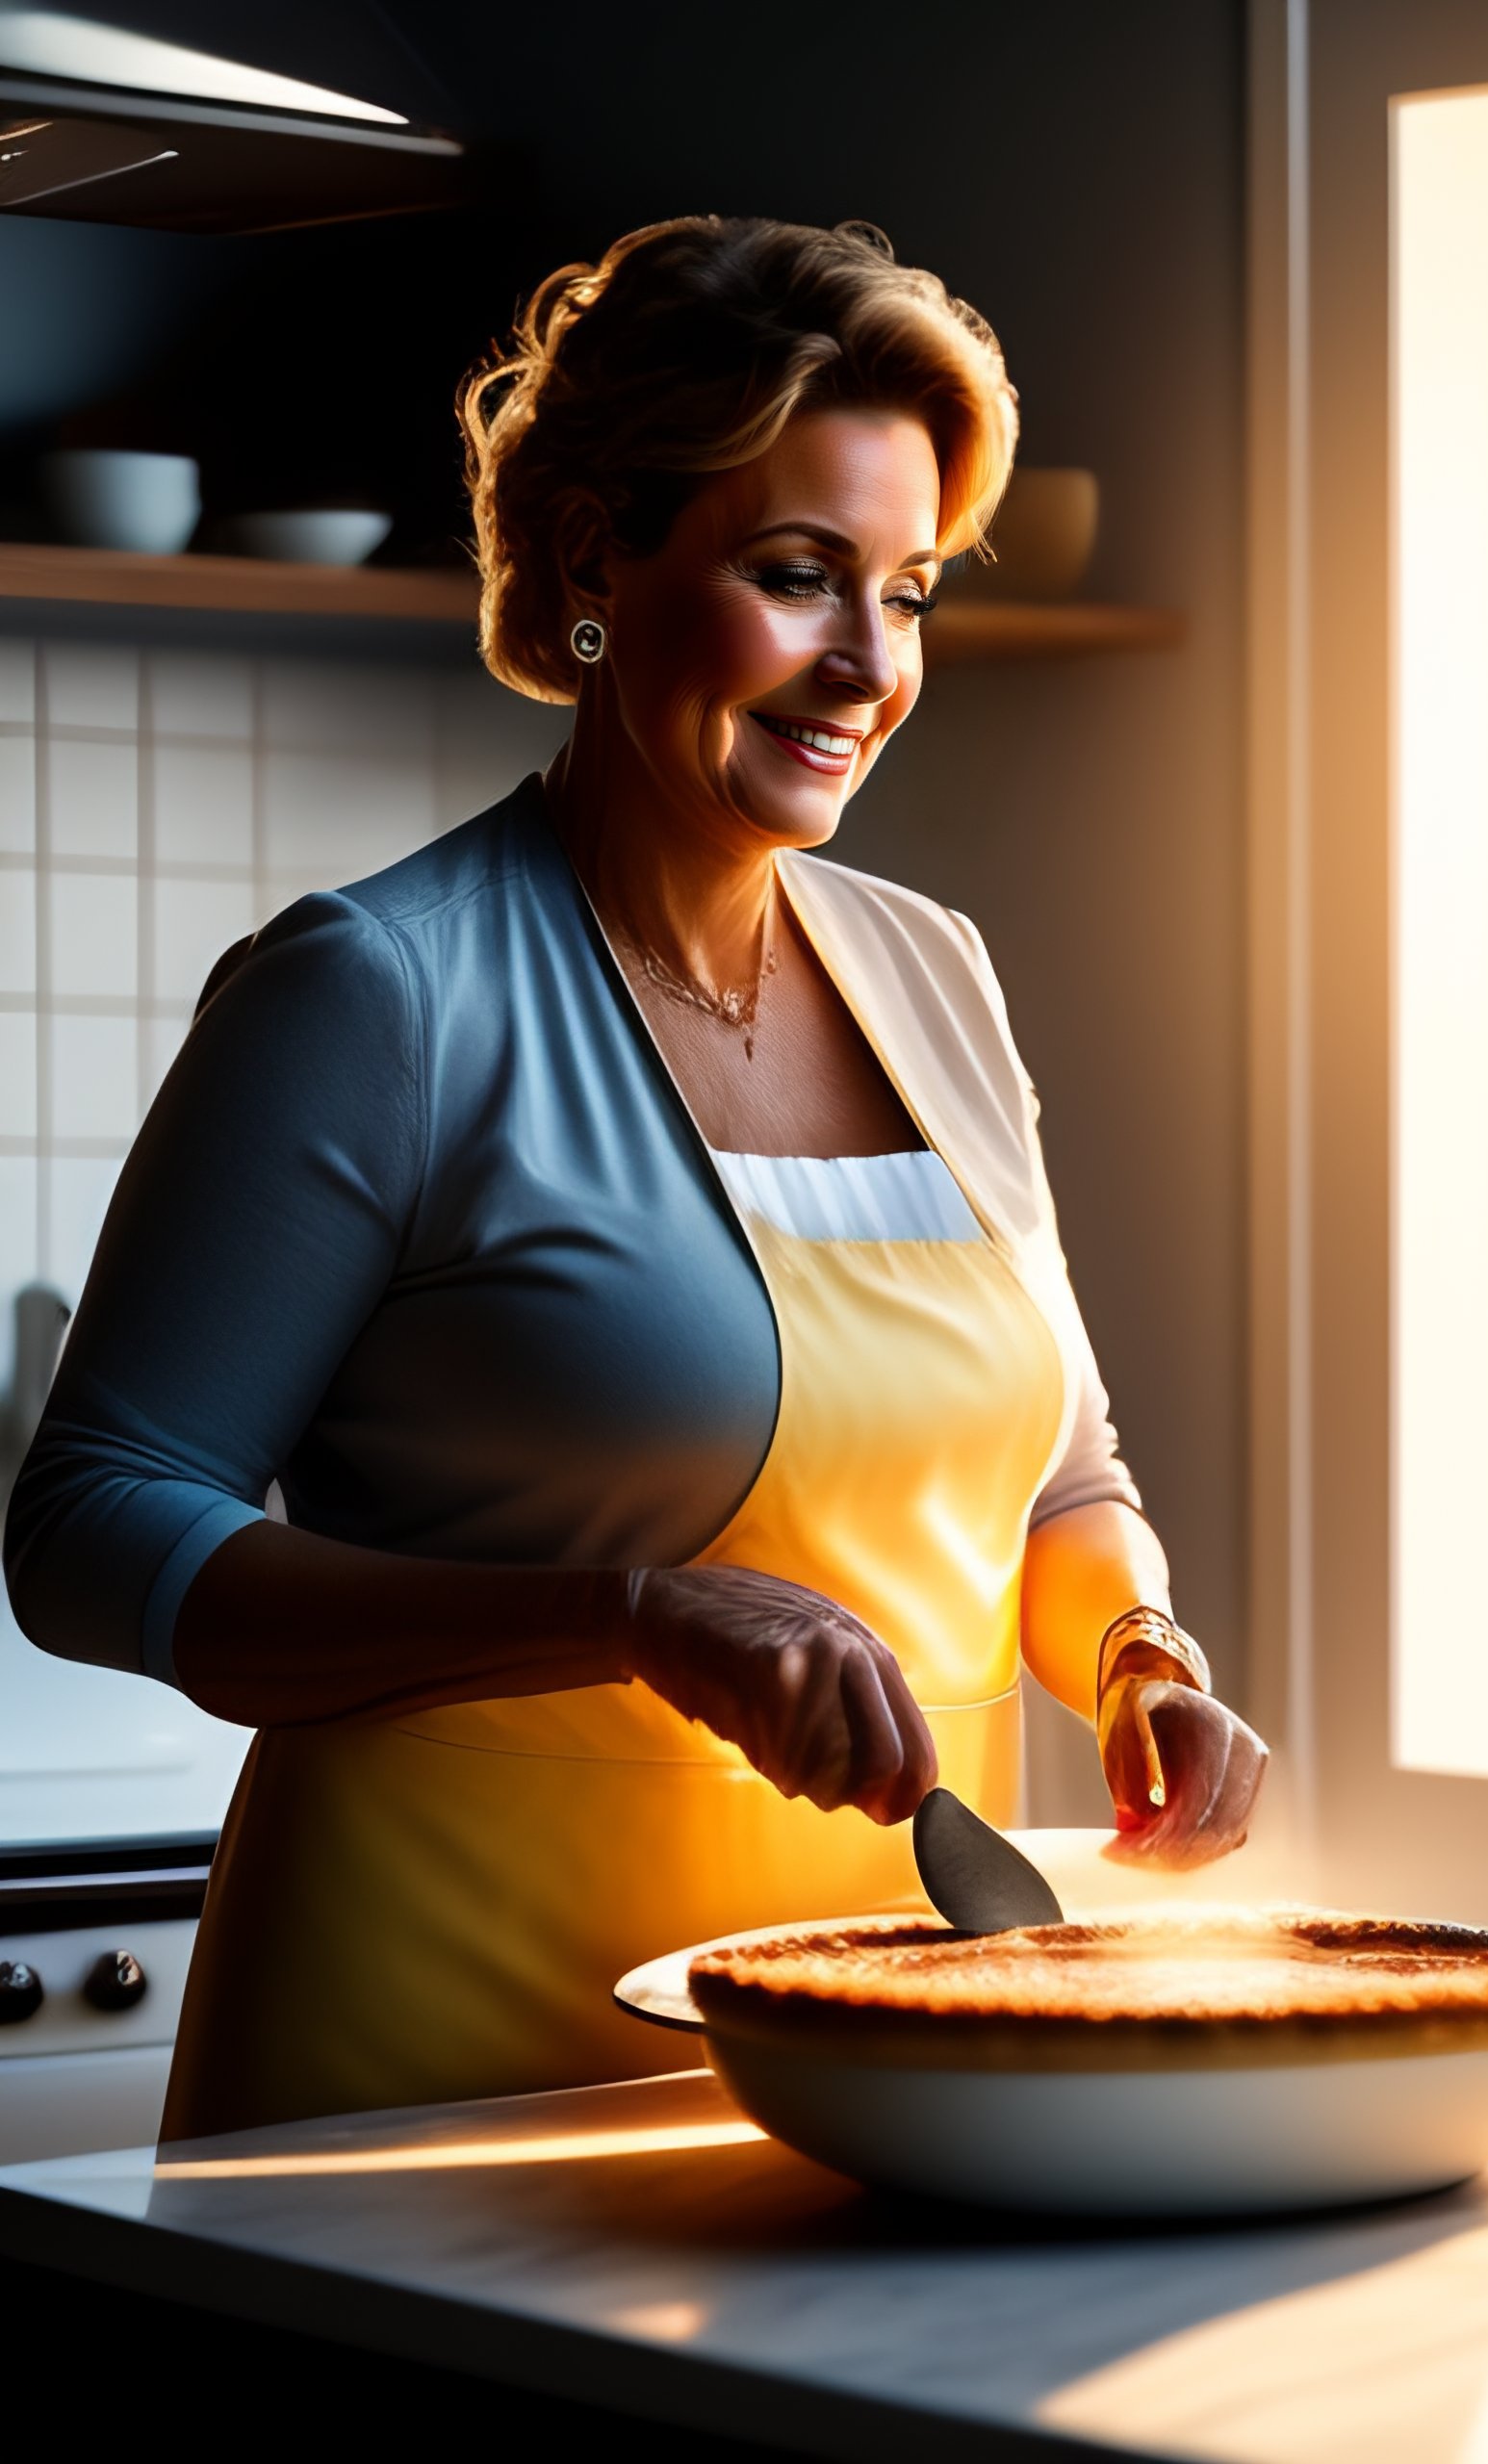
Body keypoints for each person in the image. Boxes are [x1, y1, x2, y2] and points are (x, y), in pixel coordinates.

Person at [5, 217, 1266, 2138]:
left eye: (908, 591)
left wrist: (1135, 1657)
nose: (866, 663)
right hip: (423, 2083)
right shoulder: (383, 989)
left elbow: (1062, 1481)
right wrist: (619, 1610)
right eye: (794, 575)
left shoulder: (934, 971)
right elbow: (90, 1526)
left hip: (870, 2063)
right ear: (596, 556)